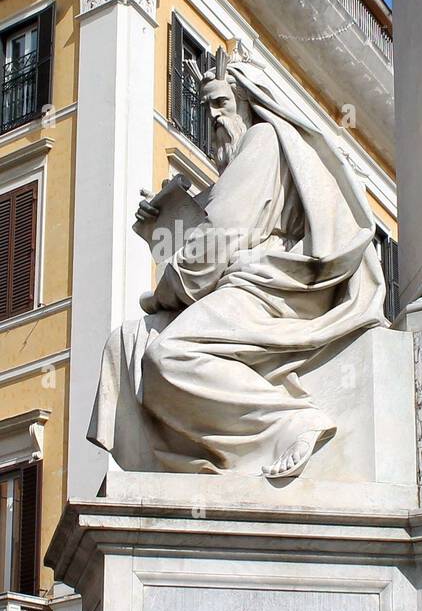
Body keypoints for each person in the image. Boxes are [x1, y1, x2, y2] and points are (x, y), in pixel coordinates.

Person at [89, 49, 386, 479]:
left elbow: (222, 238)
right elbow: (207, 245)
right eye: (206, 107)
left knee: (170, 355)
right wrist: (163, 232)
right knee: (125, 344)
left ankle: (291, 422)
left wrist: (162, 292)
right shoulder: (238, 164)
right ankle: (168, 471)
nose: (213, 117)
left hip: (270, 285)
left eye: (221, 104)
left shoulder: (262, 141)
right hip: (236, 283)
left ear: (248, 102)